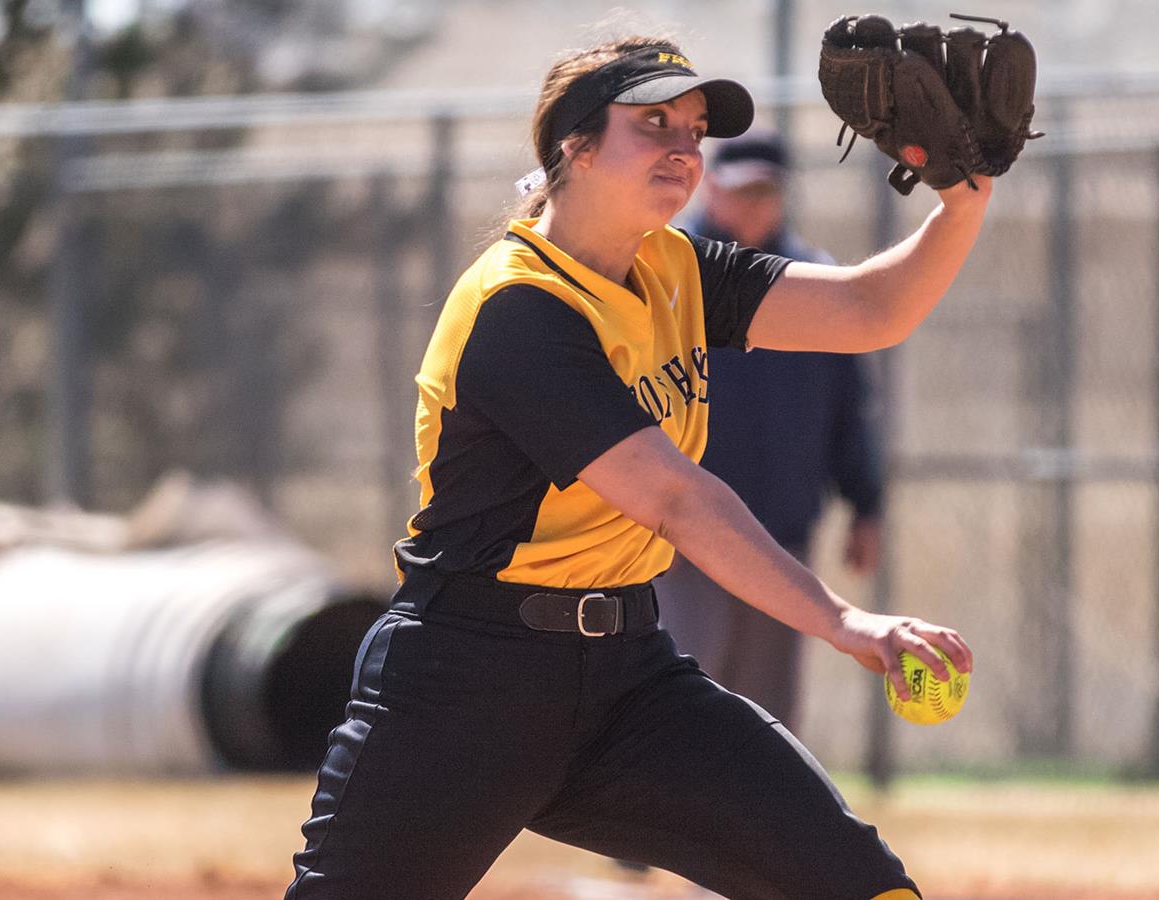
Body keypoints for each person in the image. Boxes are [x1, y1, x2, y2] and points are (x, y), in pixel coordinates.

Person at [286, 35, 986, 900]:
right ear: (574, 145)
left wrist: (963, 200)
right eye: (654, 123)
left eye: (694, 130)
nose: (684, 148)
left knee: (856, 884)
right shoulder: (518, 309)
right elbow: (676, 499)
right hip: (467, 682)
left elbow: (870, 309)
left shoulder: (674, 268)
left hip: (628, 681)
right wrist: (845, 622)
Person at [659, 128, 882, 733]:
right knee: (683, 701)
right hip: (682, 537)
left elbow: (848, 408)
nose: (754, 204)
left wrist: (865, 504)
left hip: (781, 530)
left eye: (765, 191)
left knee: (767, 718)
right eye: (742, 190)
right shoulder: (666, 270)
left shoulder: (814, 280)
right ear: (711, 188)